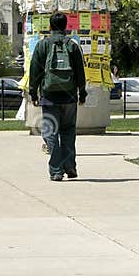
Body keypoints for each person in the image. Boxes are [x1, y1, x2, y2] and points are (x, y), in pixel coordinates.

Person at [29, 12, 86, 181]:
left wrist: (33, 93)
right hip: (69, 97)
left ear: (50, 26)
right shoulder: (73, 46)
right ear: (66, 26)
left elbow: (35, 71)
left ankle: (56, 170)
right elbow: (80, 73)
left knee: (50, 133)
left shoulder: (42, 45)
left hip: (49, 97)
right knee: (68, 131)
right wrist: (82, 93)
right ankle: (70, 166)